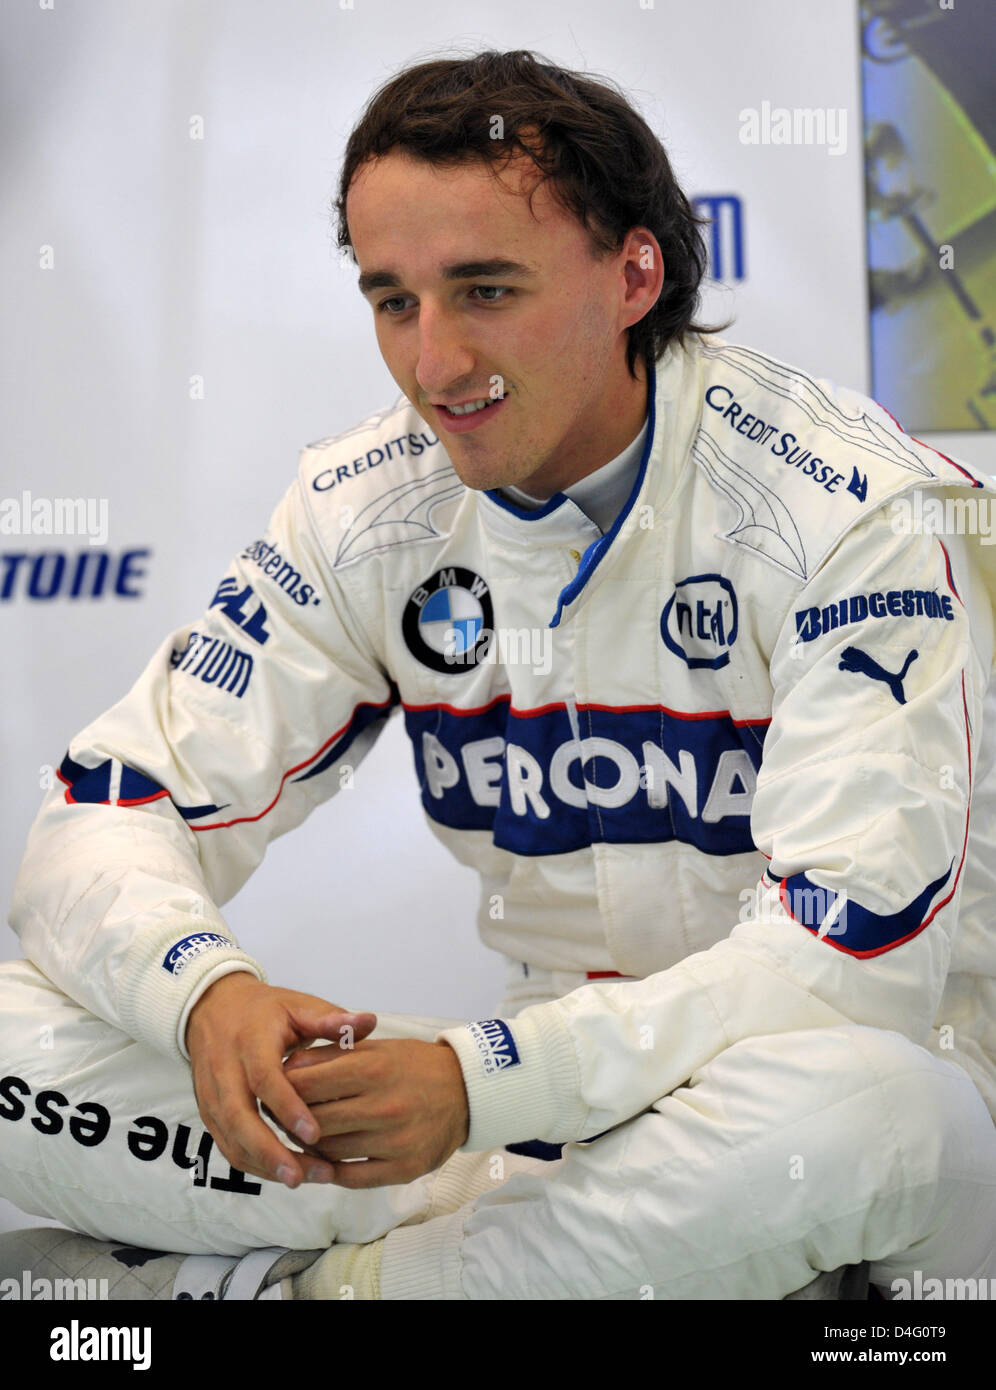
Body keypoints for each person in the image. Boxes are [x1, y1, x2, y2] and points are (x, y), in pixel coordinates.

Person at [1, 49, 995, 1302]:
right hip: (507, 1138)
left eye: (484, 289)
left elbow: (851, 966)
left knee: (877, 1118)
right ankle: (492, 1261)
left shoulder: (849, 507)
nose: (433, 363)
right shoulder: (367, 505)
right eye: (393, 300)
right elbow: (107, 808)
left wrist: (485, 1079)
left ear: (635, 273)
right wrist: (206, 995)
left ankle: (294, 1290)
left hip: (807, 1104)